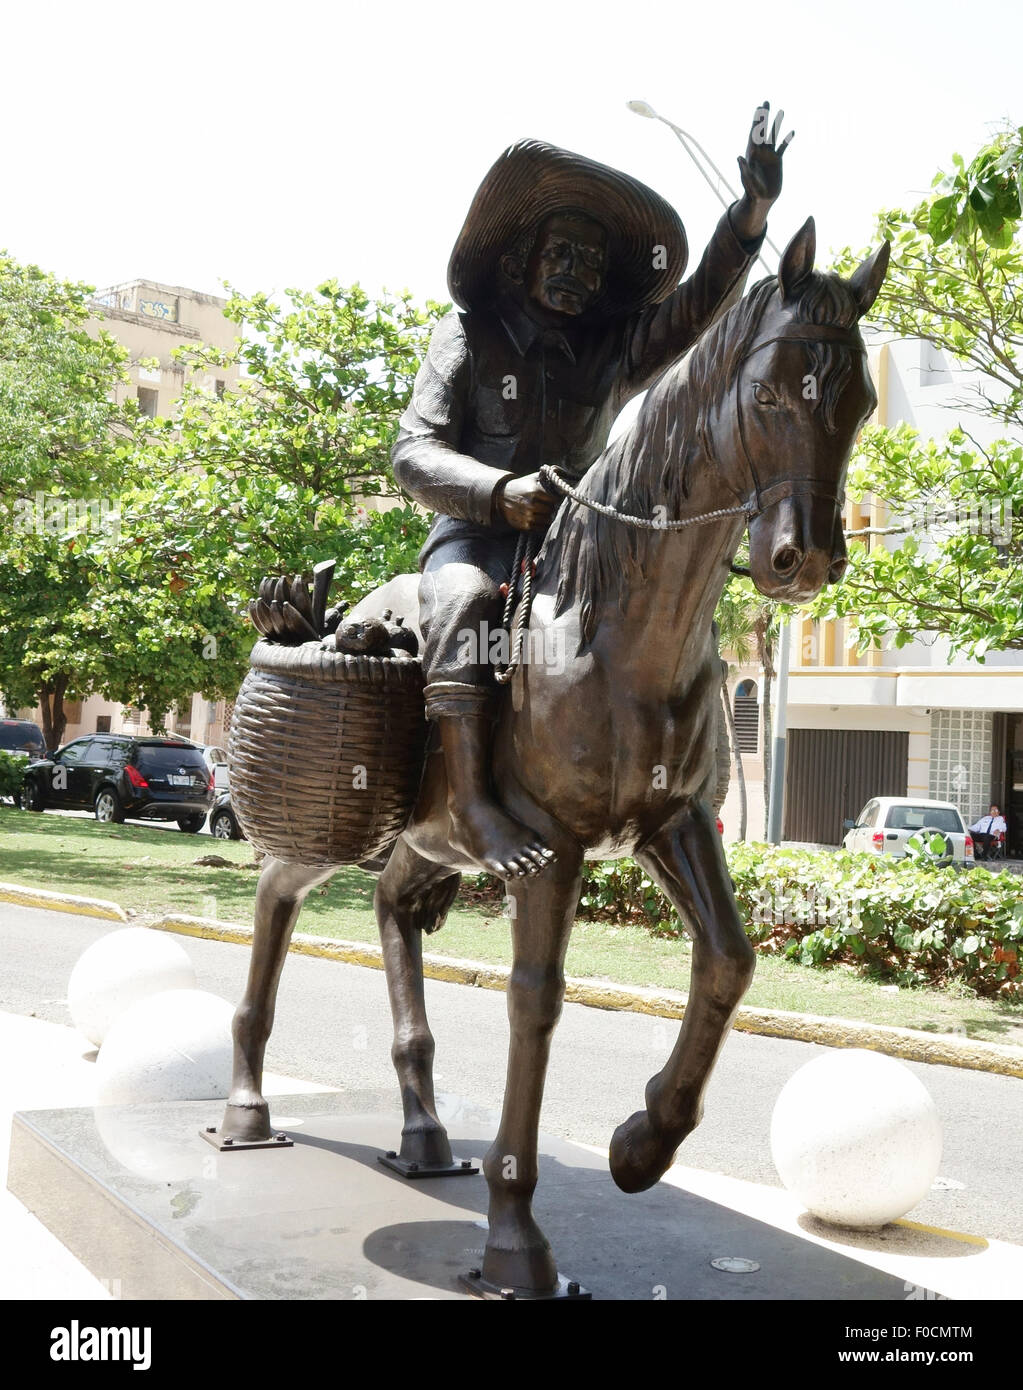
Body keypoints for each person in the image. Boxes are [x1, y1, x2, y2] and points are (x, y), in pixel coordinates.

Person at [392, 105, 791, 878]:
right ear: (522, 261)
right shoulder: (467, 335)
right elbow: (412, 453)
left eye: (591, 262)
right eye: (561, 253)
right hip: (477, 536)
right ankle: (471, 804)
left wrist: (751, 216)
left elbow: (696, 304)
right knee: (462, 603)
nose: (576, 271)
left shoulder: (613, 349)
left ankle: (665, 790)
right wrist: (499, 491)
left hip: (583, 549)